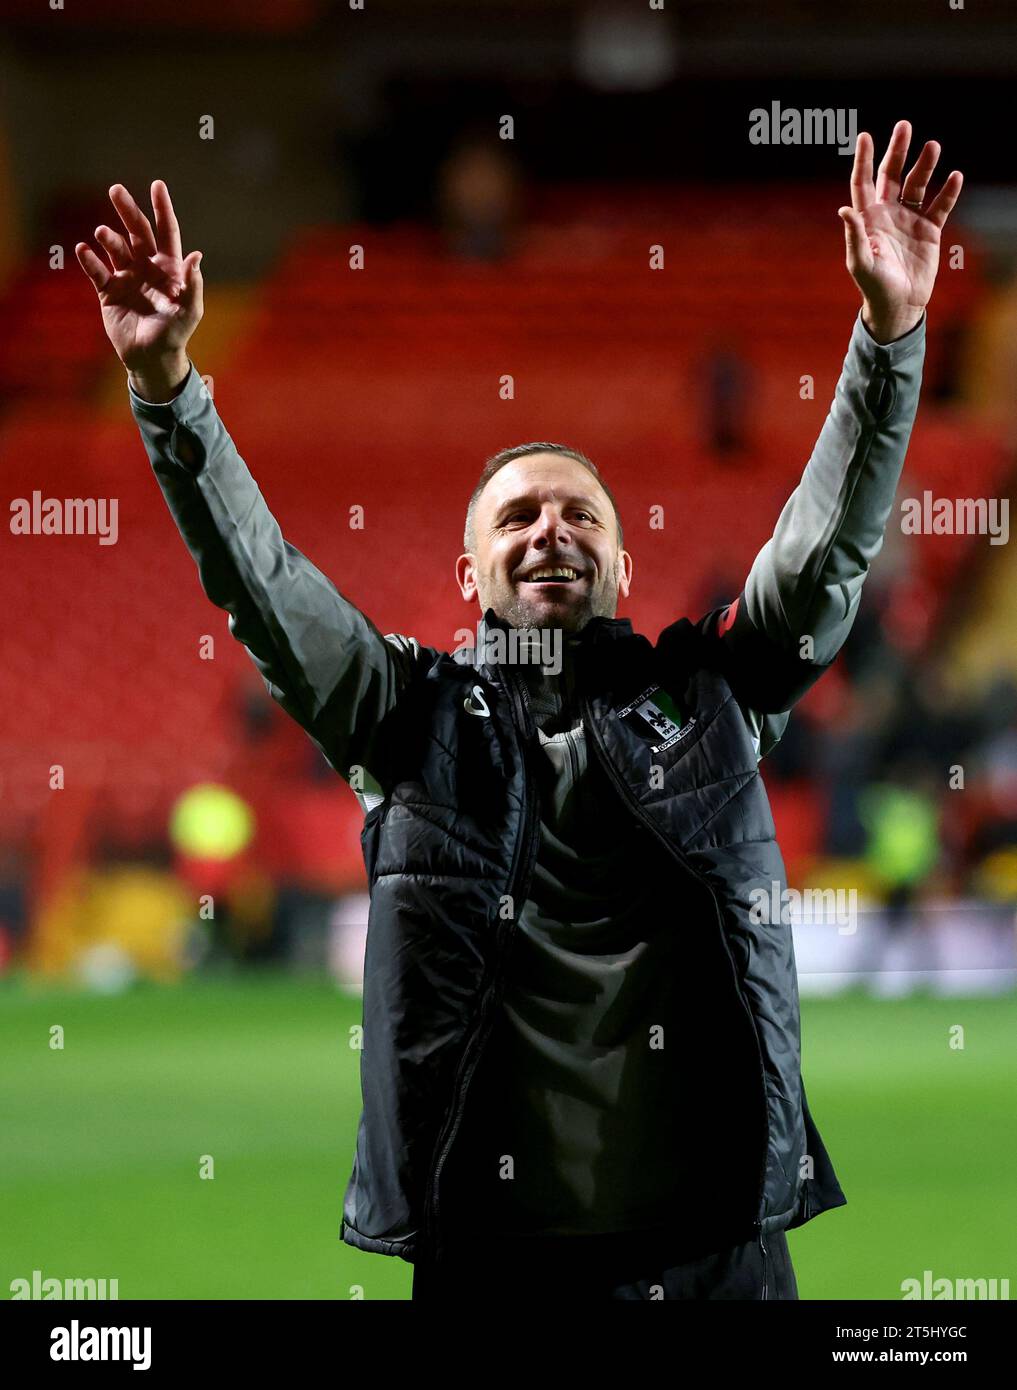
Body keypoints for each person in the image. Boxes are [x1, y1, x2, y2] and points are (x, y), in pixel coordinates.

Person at [75, 121, 963, 1301]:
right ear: (469, 576)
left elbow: (826, 553)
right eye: (517, 518)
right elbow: (264, 585)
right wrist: (166, 389)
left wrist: (890, 336)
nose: (550, 530)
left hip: (715, 1262)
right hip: (491, 1269)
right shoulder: (404, 715)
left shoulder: (714, 695)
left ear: (624, 567)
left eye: (581, 515)